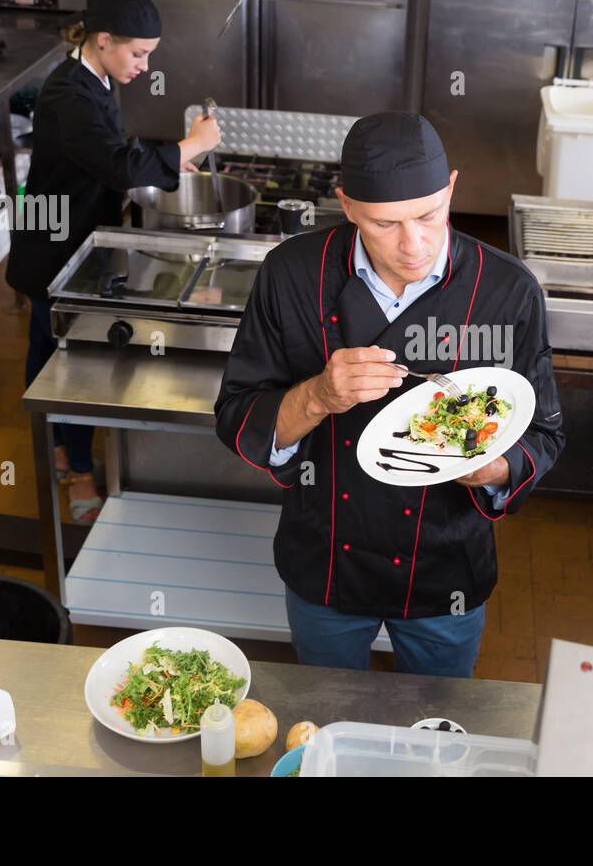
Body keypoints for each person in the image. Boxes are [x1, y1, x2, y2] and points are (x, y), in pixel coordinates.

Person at [215, 112, 564, 677]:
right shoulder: (291, 275)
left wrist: (494, 468)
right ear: (347, 205)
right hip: (326, 563)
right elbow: (236, 414)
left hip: (444, 569)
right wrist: (318, 396)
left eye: (429, 215)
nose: (412, 245)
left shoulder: (506, 289)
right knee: (328, 720)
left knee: (437, 734)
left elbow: (545, 433)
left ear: (452, 187)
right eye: (384, 224)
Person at [6, 0, 220, 522]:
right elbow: (119, 165)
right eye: (138, 54)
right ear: (104, 40)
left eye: (149, 55)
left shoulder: (94, 77)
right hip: (54, 247)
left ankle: (55, 446)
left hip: (73, 237)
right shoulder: (67, 94)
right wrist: (189, 146)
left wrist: (166, 164)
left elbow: (111, 151)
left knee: (46, 344)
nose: (145, 66)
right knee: (72, 359)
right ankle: (77, 468)